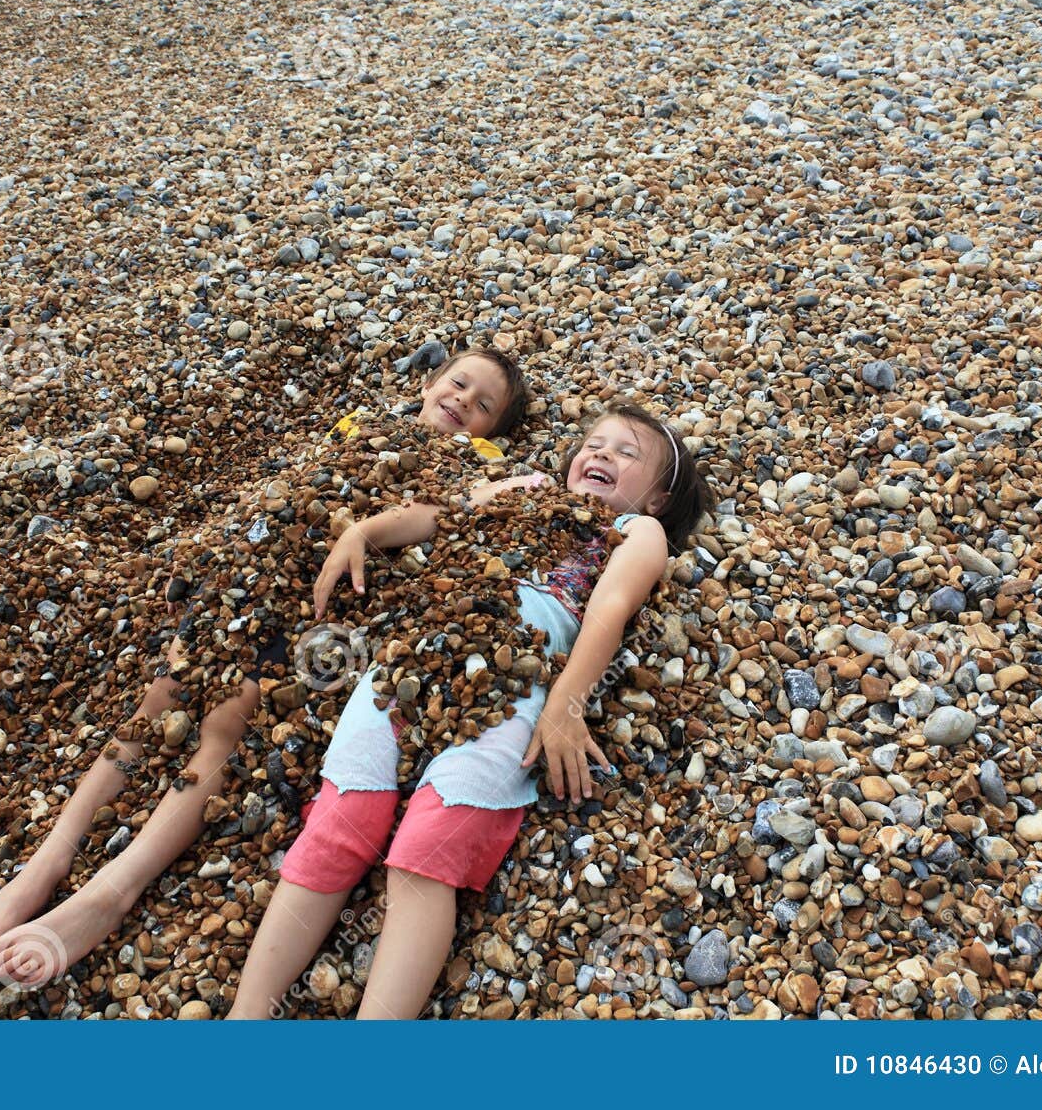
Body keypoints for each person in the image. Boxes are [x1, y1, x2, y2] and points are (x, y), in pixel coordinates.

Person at [0, 349, 530, 983]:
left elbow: (456, 509)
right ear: (429, 381)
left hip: (335, 608)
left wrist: (369, 528)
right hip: (250, 580)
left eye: (482, 407)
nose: (462, 404)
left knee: (228, 720)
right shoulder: (360, 425)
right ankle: (46, 865)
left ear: (491, 433)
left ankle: (111, 891)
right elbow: (286, 491)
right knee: (158, 700)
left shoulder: (473, 460)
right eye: (459, 384)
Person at [227, 402, 711, 1019]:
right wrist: (364, 532)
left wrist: (566, 704)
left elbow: (609, 611)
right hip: (413, 658)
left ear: (658, 499)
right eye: (593, 444)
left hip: (518, 680)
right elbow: (443, 516)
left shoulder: (639, 532)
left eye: (626, 453)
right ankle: (245, 1021)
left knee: (427, 858)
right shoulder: (530, 489)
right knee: (335, 825)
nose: (600, 456)